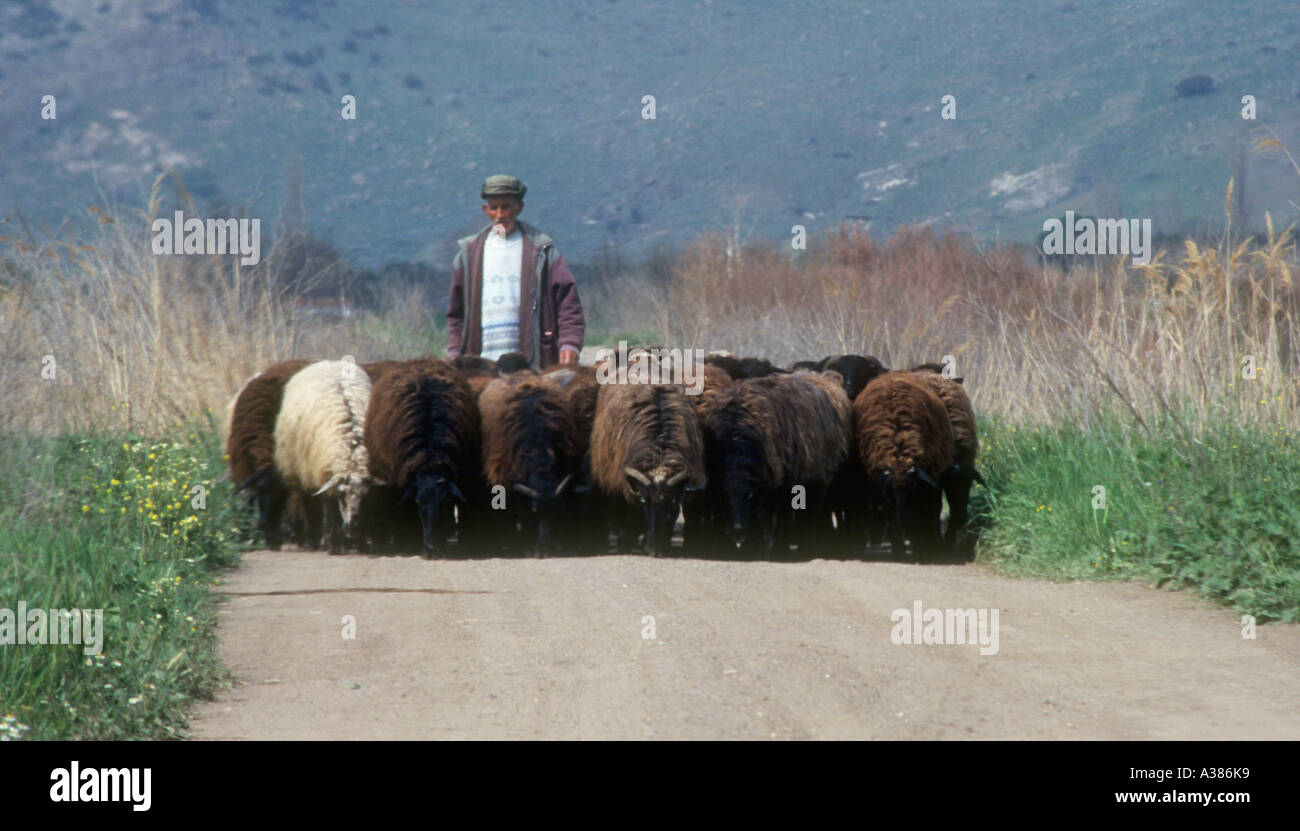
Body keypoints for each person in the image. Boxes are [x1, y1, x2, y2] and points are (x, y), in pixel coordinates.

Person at [446, 175, 585, 368]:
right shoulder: (468, 254)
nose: (500, 214)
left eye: (506, 207)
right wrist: (454, 350)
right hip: (481, 363)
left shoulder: (542, 251)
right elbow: (456, 314)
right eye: (494, 208)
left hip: (533, 361)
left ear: (519, 207)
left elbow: (568, 305)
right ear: (485, 210)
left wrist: (570, 343)